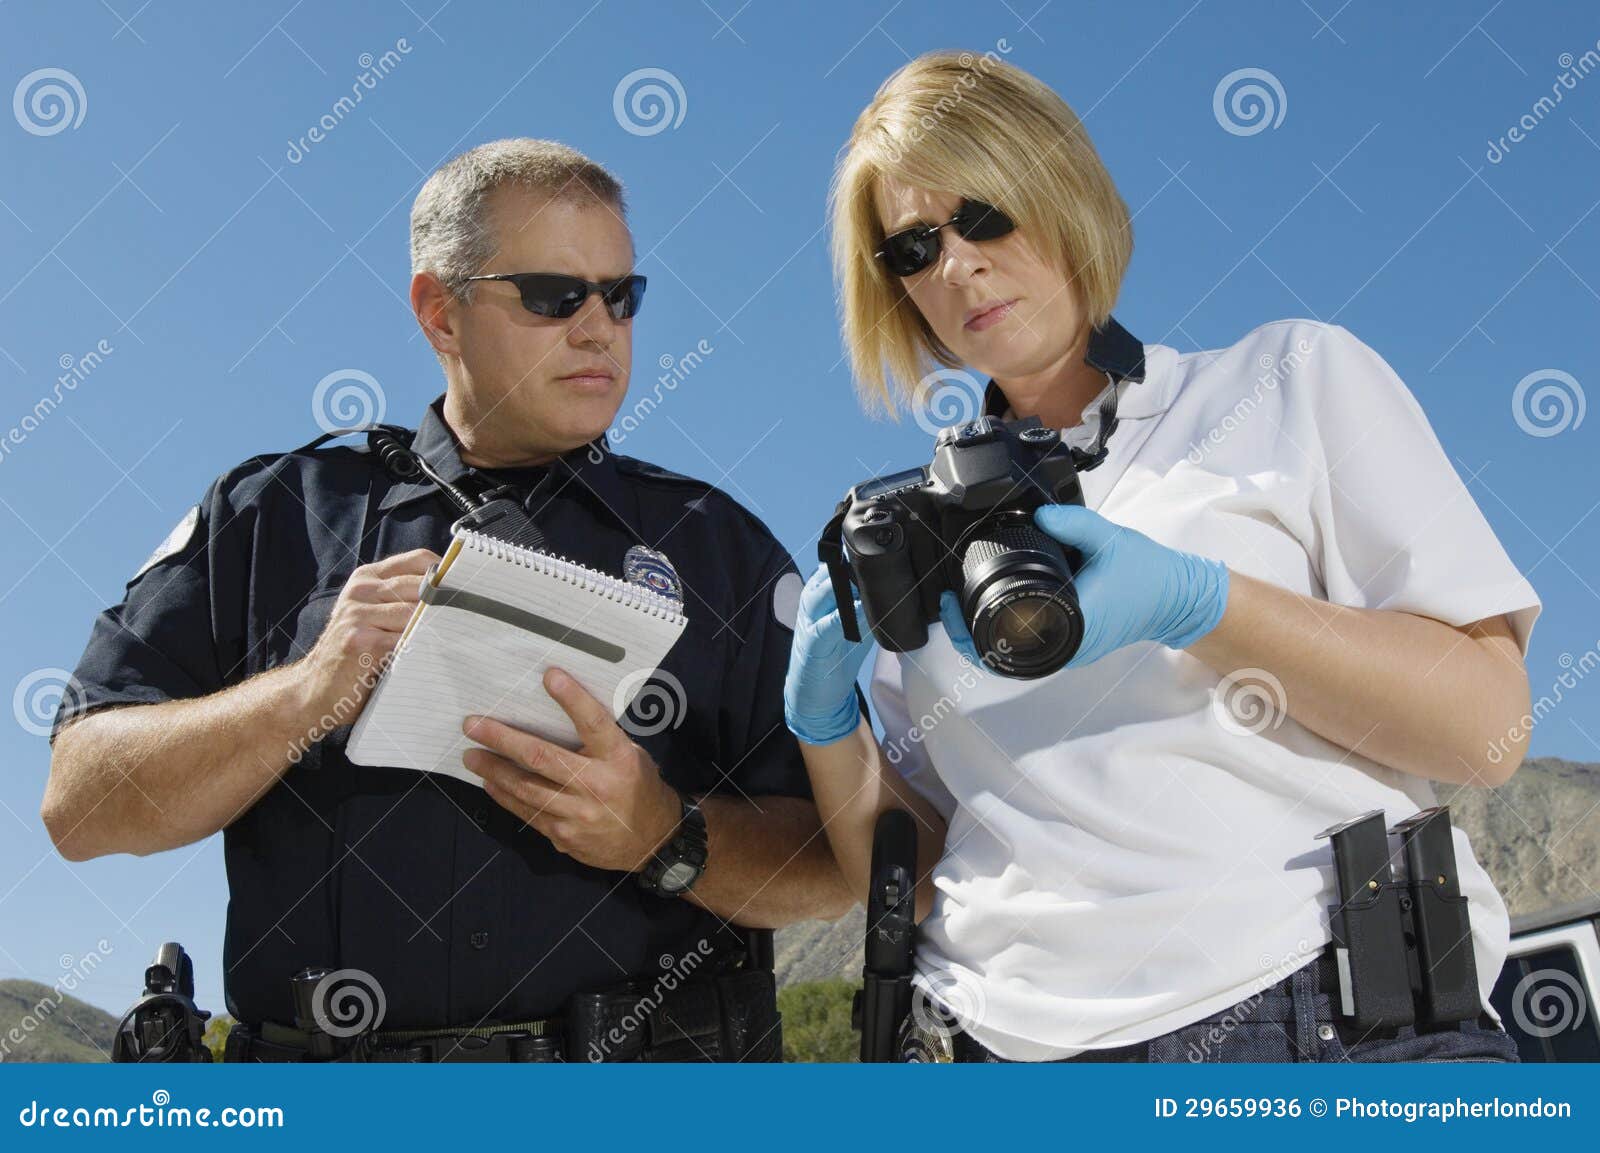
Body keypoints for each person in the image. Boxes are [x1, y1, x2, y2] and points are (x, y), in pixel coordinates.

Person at [784, 52, 1540, 1063]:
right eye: (913, 247)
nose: (955, 264)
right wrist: (829, 729)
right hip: (996, 1053)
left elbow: (1486, 732)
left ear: (1060, 196)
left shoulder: (1282, 384)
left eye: (984, 215)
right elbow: (913, 876)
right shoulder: (913, 544)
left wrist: (1202, 605)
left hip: (1317, 1026)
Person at [43, 138, 852, 1062]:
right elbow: (80, 805)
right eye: (555, 296)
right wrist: (307, 693)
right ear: (440, 311)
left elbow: (830, 867)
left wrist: (665, 836)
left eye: (622, 296)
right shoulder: (273, 515)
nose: (599, 327)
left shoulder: (719, 545)